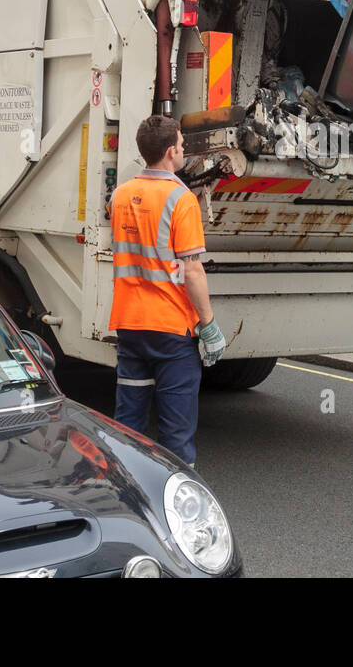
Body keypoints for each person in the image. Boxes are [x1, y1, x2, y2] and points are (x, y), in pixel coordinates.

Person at [107, 115, 227, 468]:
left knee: (127, 424)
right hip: (171, 330)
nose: (185, 150)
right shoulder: (181, 199)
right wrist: (209, 324)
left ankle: (127, 491)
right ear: (171, 151)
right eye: (182, 145)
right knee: (175, 433)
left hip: (129, 324)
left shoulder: (121, 195)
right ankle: (175, 502)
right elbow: (191, 269)